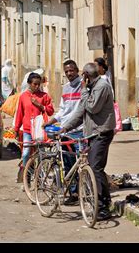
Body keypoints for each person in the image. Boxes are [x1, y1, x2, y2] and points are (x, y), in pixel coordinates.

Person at [60, 62, 116, 221]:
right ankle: (100, 200)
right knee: (94, 167)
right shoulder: (91, 88)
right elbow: (81, 112)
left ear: (85, 75)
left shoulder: (101, 87)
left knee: (96, 167)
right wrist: (66, 127)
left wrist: (84, 89)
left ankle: (104, 206)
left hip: (102, 132)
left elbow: (92, 107)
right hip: (92, 133)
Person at [43, 59, 84, 205]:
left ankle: (85, 190)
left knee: (82, 163)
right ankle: (73, 192)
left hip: (80, 130)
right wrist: (51, 121)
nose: (69, 73)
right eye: (66, 71)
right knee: (68, 163)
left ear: (77, 70)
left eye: (71, 70)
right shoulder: (66, 88)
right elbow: (62, 110)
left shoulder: (83, 85)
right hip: (65, 130)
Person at [14, 73, 54, 173]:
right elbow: (19, 113)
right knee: (26, 153)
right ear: (29, 83)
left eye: (38, 84)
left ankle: (40, 177)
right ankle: (25, 175)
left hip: (40, 130)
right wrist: (16, 129)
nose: (36, 86)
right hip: (27, 130)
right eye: (34, 84)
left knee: (41, 153)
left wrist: (40, 105)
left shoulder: (44, 96)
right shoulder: (23, 96)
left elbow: (50, 111)